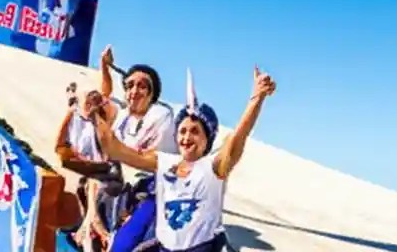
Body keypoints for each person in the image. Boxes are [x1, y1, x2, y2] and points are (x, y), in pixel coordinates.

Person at [97, 66, 278, 252]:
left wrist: (256, 98)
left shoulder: (213, 167)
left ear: (207, 139)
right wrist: (96, 116)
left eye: (195, 131)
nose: (186, 137)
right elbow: (119, 151)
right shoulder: (165, 162)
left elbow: (236, 140)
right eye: (182, 131)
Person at [55, 87, 122, 251]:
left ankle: (91, 226)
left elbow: (106, 90)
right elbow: (61, 147)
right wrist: (71, 107)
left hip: (104, 176)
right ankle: (90, 226)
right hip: (91, 176)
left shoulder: (103, 122)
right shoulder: (78, 122)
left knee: (94, 183)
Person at [99, 46, 176, 155]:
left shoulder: (161, 115)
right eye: (130, 86)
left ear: (152, 95)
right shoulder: (122, 116)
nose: (134, 92)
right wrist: (105, 66)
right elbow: (103, 96)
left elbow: (152, 158)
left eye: (142, 86)